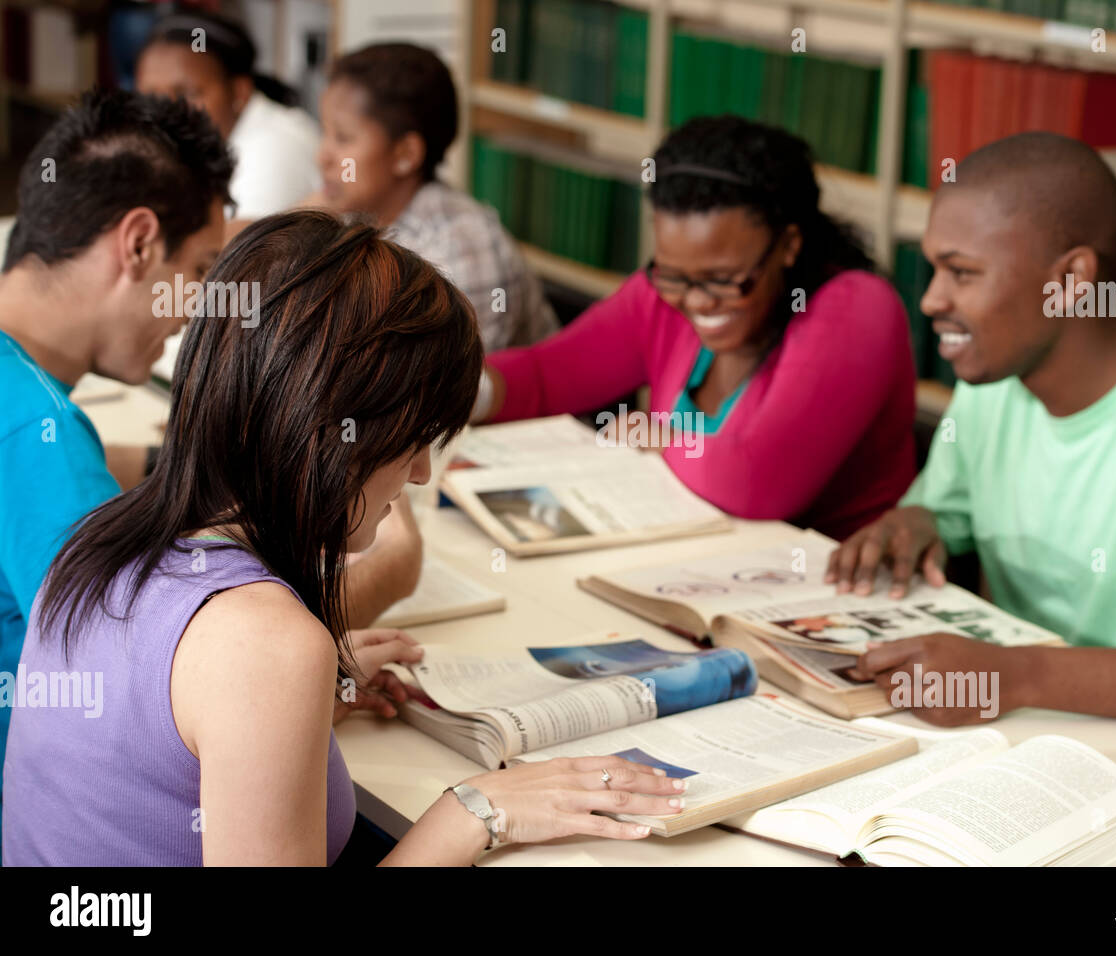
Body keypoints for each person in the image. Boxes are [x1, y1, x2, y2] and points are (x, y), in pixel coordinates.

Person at [1, 211, 684, 865]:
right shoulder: (263, 645)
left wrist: (287, 707)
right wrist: (476, 811)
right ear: (332, 431)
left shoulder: (96, 543)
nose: (419, 472)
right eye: (413, 441)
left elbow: (154, 734)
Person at [826, 132, 1116, 727]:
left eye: (962, 273)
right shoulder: (993, 385)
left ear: (1072, 280)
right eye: (933, 269)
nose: (930, 300)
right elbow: (946, 513)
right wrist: (916, 521)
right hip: (1033, 737)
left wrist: (1019, 676)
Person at [476, 115, 917, 539]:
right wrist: (451, 389)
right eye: (675, 275)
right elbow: (548, 375)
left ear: (787, 246)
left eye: (724, 280)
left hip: (831, 580)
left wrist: (663, 442)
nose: (697, 301)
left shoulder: (857, 308)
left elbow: (758, 478)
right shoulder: (664, 295)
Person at [0, 89, 231, 843]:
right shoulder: (45, 430)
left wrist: (189, 467)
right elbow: (148, 676)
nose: (195, 305)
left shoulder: (27, 408)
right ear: (137, 244)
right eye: (198, 268)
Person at [315, 43, 558, 352]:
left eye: (343, 138)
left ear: (406, 154)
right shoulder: (350, 207)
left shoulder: (462, 255)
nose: (322, 156)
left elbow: (448, 394)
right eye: (324, 132)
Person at [135, 11, 321, 219]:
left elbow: (245, 248)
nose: (165, 110)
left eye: (187, 93)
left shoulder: (275, 145)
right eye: (150, 96)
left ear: (240, 92)